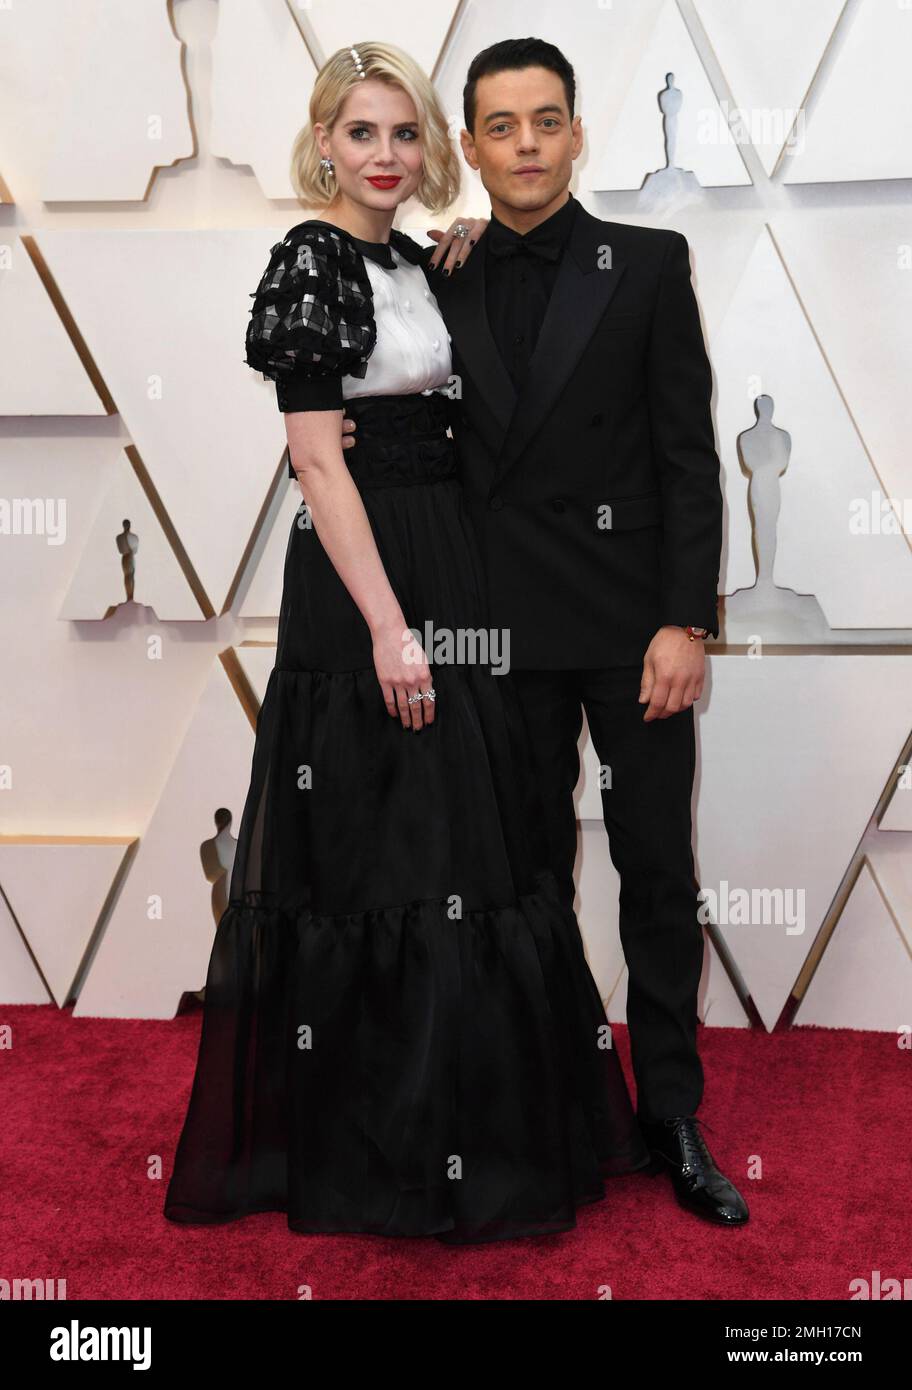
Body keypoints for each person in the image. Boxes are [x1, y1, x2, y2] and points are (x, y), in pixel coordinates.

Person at [163, 40, 653, 1246]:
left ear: (431, 148)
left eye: (405, 134)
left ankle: (469, 1126)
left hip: (455, 561)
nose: (385, 155)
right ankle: (379, 1144)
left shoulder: (422, 258)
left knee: (466, 848)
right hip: (367, 580)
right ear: (322, 140)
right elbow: (318, 460)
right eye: (362, 133)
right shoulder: (310, 261)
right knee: (382, 852)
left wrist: (465, 251)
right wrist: (389, 630)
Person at [342, 37, 749, 1226]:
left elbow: (688, 457)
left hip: (633, 635)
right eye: (501, 127)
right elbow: (398, 426)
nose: (525, 145)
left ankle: (670, 1109)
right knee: (516, 883)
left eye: (546, 121)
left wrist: (686, 619)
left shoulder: (649, 263)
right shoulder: (434, 278)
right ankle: (552, 1103)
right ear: (467, 148)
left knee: (656, 875)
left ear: (578, 134)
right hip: (489, 637)